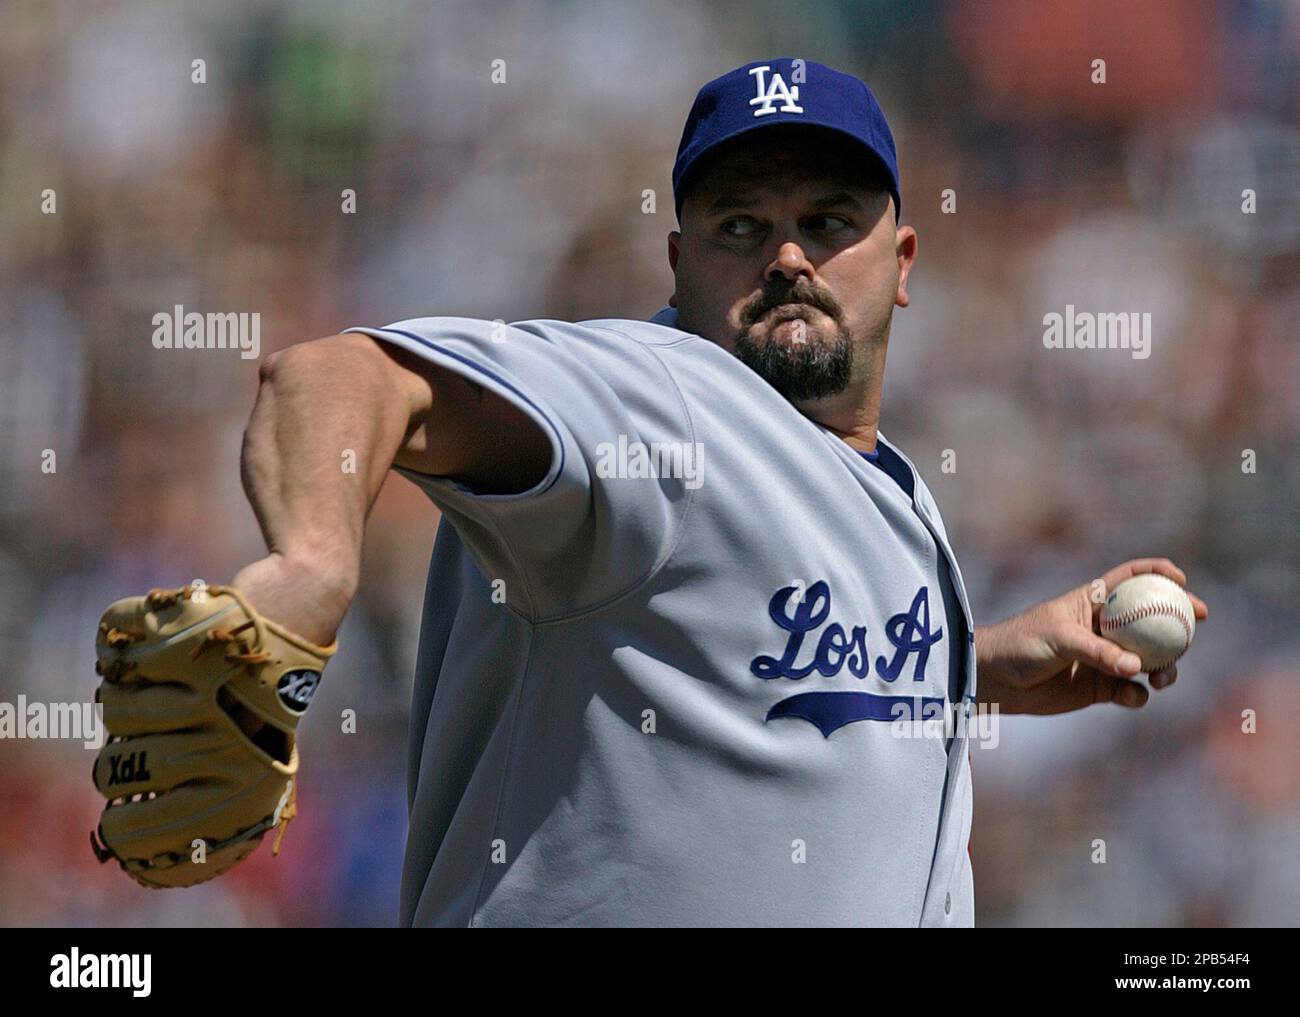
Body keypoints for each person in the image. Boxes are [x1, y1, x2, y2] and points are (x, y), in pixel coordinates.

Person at [198, 59, 1207, 925]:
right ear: (679, 265)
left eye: (827, 220)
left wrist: (966, 670)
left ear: (901, 262)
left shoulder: (884, 485)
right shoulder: (660, 399)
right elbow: (336, 376)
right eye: (739, 223)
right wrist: (312, 568)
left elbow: (737, 673)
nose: (787, 256)